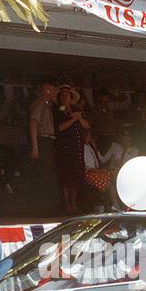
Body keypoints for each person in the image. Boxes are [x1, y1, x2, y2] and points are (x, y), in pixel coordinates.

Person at [54, 85, 91, 215]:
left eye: (67, 95)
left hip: (77, 148)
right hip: (64, 148)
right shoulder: (58, 110)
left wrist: (79, 117)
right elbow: (60, 127)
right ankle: (67, 204)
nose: (65, 97)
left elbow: (87, 126)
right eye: (62, 95)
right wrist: (73, 119)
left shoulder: (77, 109)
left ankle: (74, 203)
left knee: (75, 177)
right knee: (65, 177)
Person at [28, 79, 61, 215]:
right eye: (53, 91)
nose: (55, 93)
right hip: (42, 140)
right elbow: (33, 123)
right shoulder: (40, 104)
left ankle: (48, 207)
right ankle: (42, 209)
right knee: (44, 175)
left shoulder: (49, 105)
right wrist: (35, 147)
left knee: (49, 175)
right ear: (47, 91)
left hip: (48, 141)